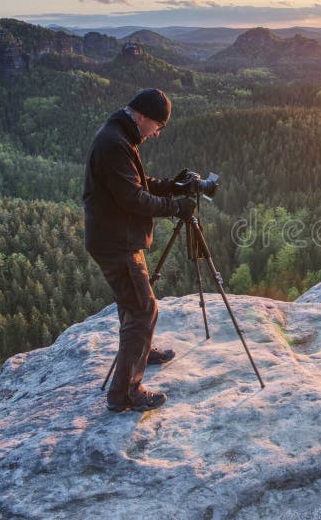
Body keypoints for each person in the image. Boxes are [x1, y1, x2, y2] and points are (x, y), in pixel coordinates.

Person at [83, 88, 196, 412]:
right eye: (157, 126)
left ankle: (140, 353)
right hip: (116, 243)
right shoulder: (114, 142)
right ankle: (126, 393)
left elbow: (136, 183)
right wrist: (175, 206)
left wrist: (170, 185)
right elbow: (132, 198)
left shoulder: (120, 135)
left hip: (116, 239)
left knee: (133, 306)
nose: (157, 134)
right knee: (144, 310)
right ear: (143, 116)